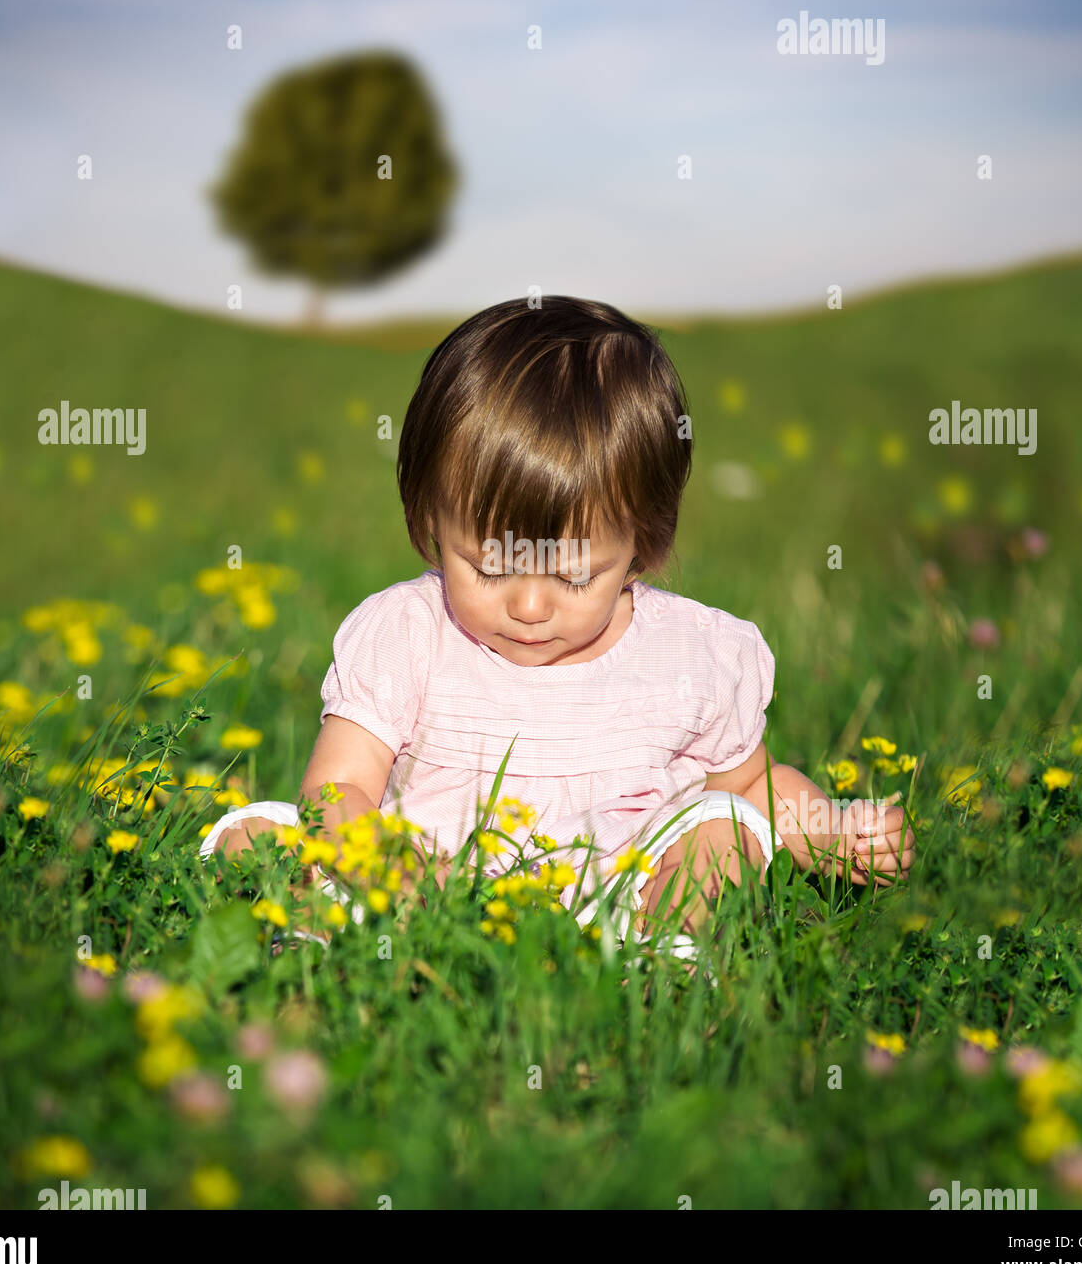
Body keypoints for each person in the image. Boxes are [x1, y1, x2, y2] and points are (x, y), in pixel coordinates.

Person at [201, 296, 914, 963]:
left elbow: (753, 785)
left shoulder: (692, 655)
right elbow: (335, 790)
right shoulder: (409, 634)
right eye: (489, 567)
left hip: (620, 899)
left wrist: (831, 829)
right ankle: (330, 948)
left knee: (722, 828)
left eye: (574, 576)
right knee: (257, 832)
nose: (530, 606)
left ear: (642, 545)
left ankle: (666, 958)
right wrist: (397, 870)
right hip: (420, 895)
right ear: (429, 522)